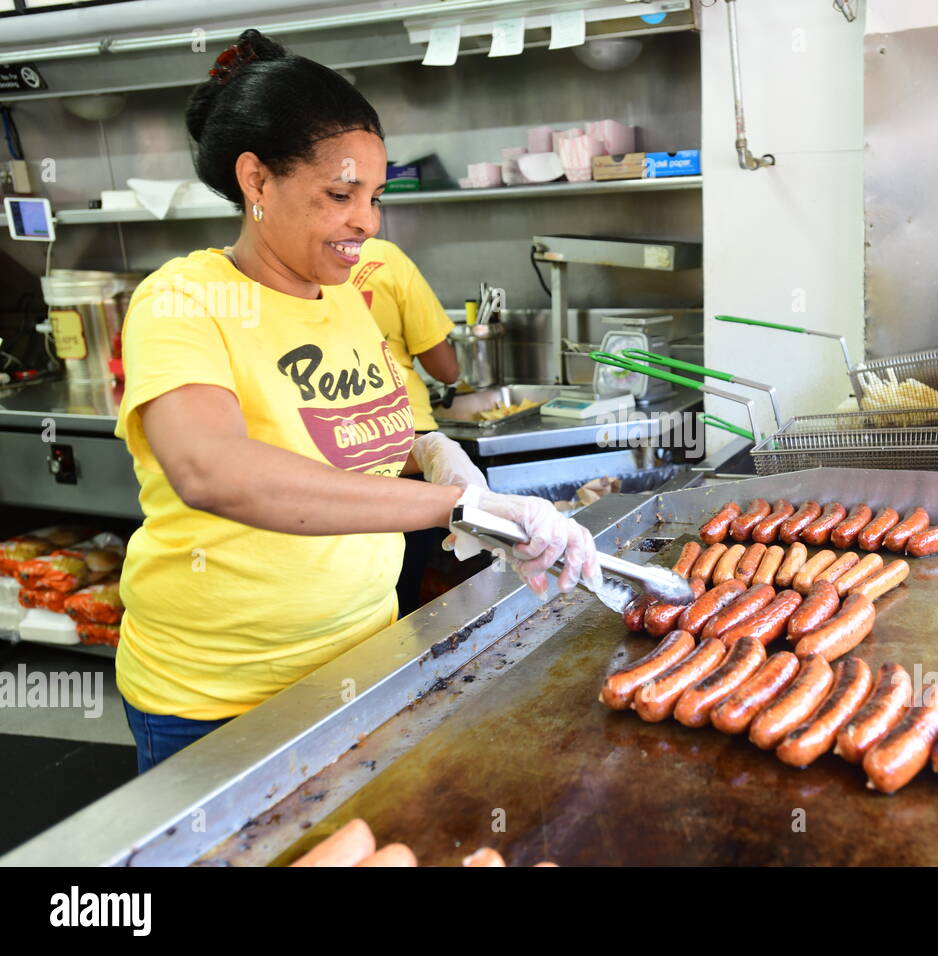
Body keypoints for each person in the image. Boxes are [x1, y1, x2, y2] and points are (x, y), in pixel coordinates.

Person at [112, 29, 600, 774]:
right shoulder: (184, 299)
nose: (367, 222)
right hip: (220, 701)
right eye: (340, 196)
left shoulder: (342, 298)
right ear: (257, 182)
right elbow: (213, 470)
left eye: (373, 197)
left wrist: (435, 454)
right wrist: (455, 509)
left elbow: (364, 432)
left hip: (364, 658)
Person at [348, 238, 463, 616]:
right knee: (403, 591)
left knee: (366, 589)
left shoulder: (286, 274)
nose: (367, 219)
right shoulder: (386, 258)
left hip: (346, 448)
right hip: (402, 432)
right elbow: (446, 370)